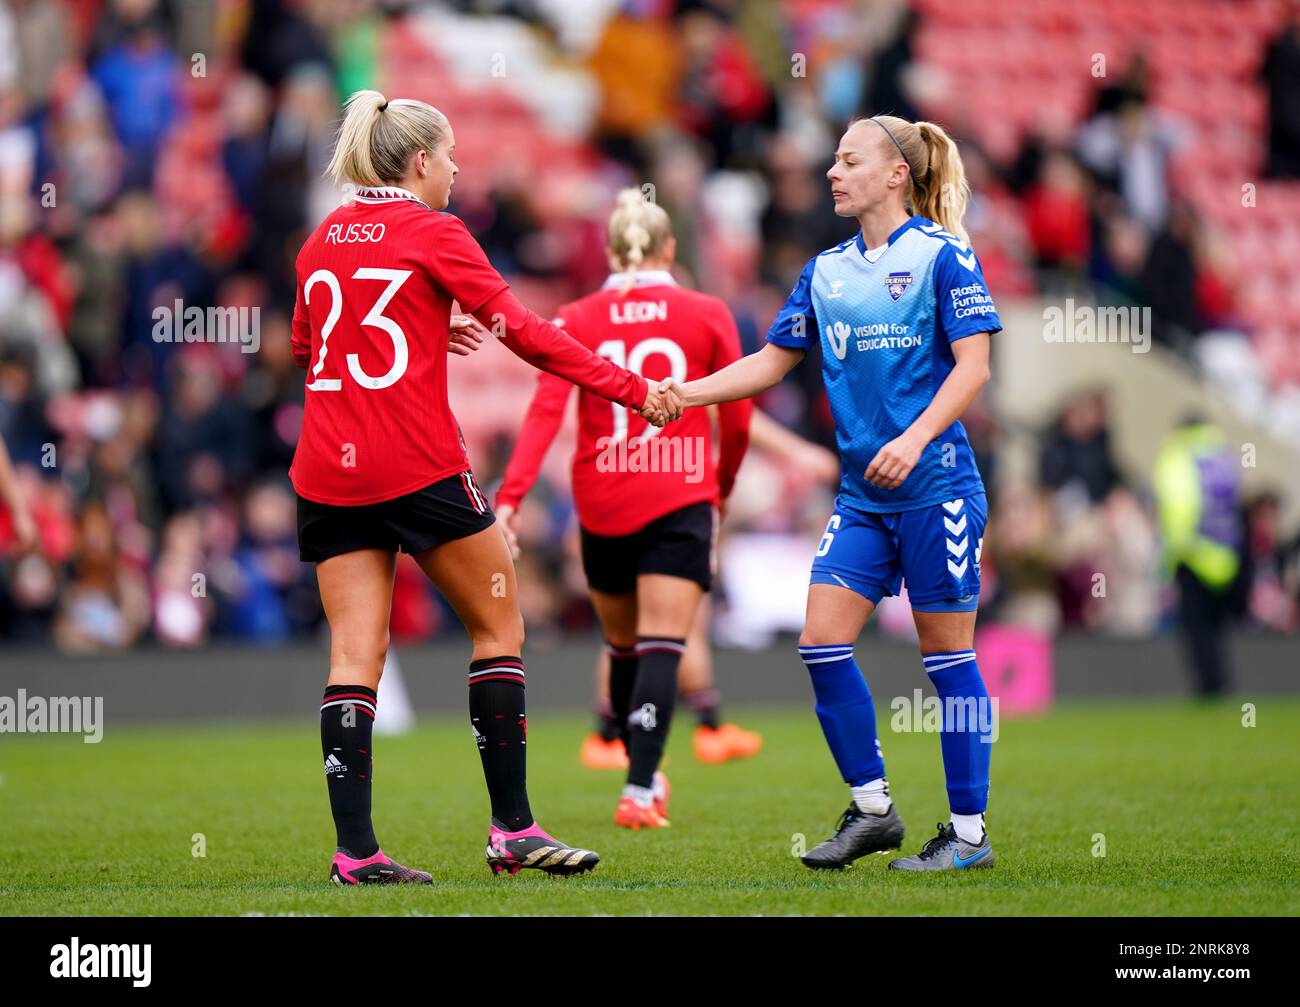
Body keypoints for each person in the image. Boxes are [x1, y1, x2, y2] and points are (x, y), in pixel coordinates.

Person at [290, 91, 680, 883]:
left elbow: (308, 347)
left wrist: (426, 321)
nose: (460, 169)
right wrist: (629, 387)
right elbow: (532, 336)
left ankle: (355, 851)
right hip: (418, 465)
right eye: (453, 155)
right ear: (421, 162)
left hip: (328, 469)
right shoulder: (436, 231)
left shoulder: (320, 239)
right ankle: (512, 831)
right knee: (499, 627)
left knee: (353, 654)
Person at [661, 115, 1002, 871]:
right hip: (864, 496)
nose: (831, 173)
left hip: (936, 487)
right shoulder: (825, 271)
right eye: (833, 161)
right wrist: (683, 394)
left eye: (849, 161)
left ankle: (969, 834)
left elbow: (973, 367)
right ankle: (874, 809)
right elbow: (769, 362)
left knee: (947, 659)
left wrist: (913, 440)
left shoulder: (944, 254)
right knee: (820, 641)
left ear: (895, 175)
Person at [495, 189, 752, 828]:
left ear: (610, 251)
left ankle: (639, 767)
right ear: (669, 250)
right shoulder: (707, 311)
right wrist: (721, 484)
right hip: (680, 491)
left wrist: (511, 497)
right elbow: (739, 415)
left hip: (604, 499)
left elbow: (545, 413)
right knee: (665, 641)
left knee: (623, 644)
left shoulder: (576, 315)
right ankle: (639, 790)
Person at [576, 409, 839, 770]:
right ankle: (670, 732)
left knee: (629, 630)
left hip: (619, 491)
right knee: (674, 621)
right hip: (672, 494)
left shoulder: (613, 361)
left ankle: (623, 733)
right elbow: (730, 411)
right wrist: (796, 450)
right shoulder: (680, 364)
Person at [1153, 417, 1243, 697]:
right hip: (1225, 557)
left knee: (1196, 627)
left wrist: (1170, 555)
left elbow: (1178, 506)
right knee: (1217, 627)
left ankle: (1208, 685)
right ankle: (1220, 682)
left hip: (1191, 555)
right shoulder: (1222, 456)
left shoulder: (1178, 455)